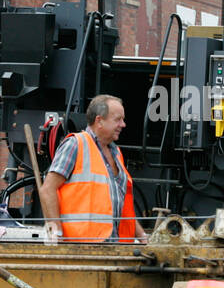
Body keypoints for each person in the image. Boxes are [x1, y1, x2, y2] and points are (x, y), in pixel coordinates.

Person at [40, 95, 146, 243]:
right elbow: (47, 189)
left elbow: (119, 206)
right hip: (81, 249)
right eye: (118, 119)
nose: (123, 124)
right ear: (99, 121)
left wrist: (142, 237)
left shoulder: (116, 153)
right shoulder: (75, 145)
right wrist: (55, 232)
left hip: (114, 248)